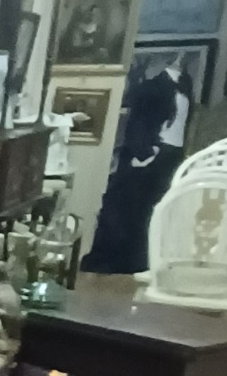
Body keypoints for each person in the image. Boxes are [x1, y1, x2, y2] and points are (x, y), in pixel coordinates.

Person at [84, 51, 197, 273]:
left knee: (158, 208)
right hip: (151, 153)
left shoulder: (185, 84)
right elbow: (140, 122)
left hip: (172, 157)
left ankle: (147, 260)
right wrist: (144, 153)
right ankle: (127, 261)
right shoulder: (154, 87)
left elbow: (184, 123)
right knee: (135, 207)